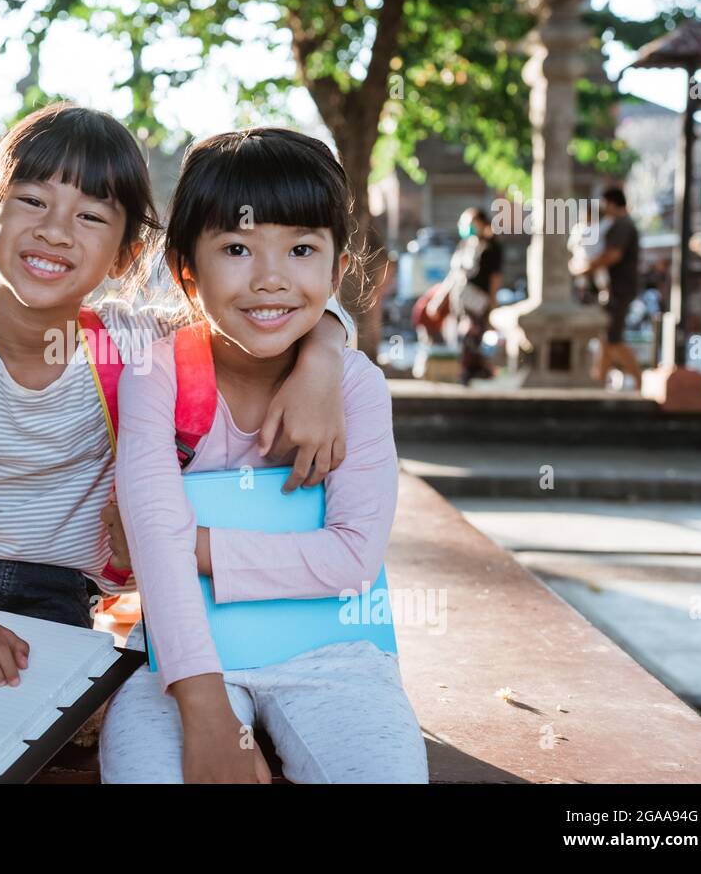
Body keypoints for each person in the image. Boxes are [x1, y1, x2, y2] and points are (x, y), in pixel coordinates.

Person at [0, 104, 358, 784]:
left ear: (129, 251)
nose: (55, 230)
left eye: (90, 215)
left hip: (52, 604)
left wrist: (322, 359)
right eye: (31, 200)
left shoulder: (136, 343)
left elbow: (267, 305)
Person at [99, 127, 427, 784]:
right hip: (179, 650)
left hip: (333, 653)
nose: (271, 278)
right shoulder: (155, 373)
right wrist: (206, 711)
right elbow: (151, 554)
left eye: (301, 249)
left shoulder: (356, 386)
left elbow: (352, 558)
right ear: (185, 271)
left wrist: (188, 543)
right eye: (237, 248)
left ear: (336, 272)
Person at [573, 187, 642, 389]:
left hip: (619, 289)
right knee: (606, 338)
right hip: (614, 289)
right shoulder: (616, 224)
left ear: (611, 203)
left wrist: (586, 268)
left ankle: (639, 382)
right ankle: (599, 381)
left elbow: (613, 255)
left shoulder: (622, 225)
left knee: (613, 339)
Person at [440, 208, 502, 385]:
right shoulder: (464, 245)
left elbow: (495, 278)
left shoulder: (491, 247)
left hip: (478, 303)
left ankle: (477, 372)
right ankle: (468, 372)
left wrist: (492, 303)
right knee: (462, 338)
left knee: (473, 336)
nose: (467, 227)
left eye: (471, 223)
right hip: (460, 302)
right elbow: (454, 275)